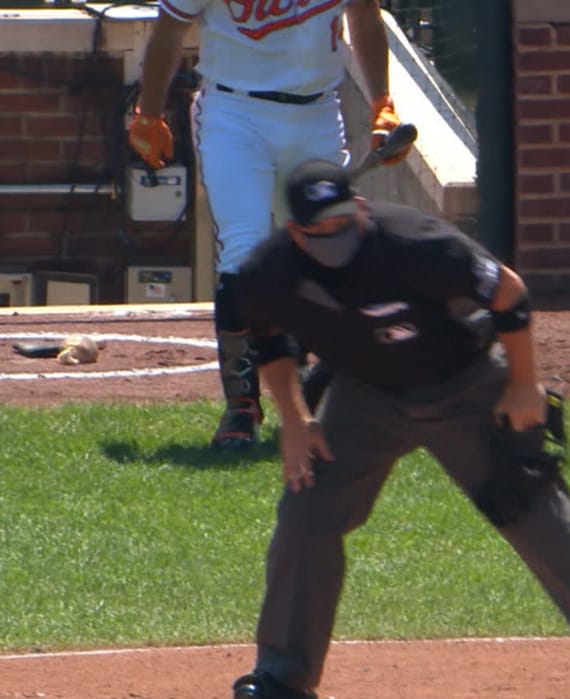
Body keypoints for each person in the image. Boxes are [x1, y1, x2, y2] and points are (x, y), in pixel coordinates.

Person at [218, 159, 570, 699]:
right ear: (295, 231)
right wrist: (297, 421)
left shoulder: (418, 243)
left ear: (362, 209)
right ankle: (282, 676)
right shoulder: (267, 272)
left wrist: (522, 387)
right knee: (307, 511)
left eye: (346, 225)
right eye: (320, 233)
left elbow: (510, 295)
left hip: (466, 384)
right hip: (365, 396)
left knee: (536, 512)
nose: (337, 240)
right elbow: (270, 340)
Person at [127, 0, 409, 452]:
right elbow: (169, 27)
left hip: (317, 111)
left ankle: (327, 393)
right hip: (235, 112)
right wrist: (150, 112)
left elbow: (364, 15)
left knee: (331, 247)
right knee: (244, 249)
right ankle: (241, 404)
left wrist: (383, 102)